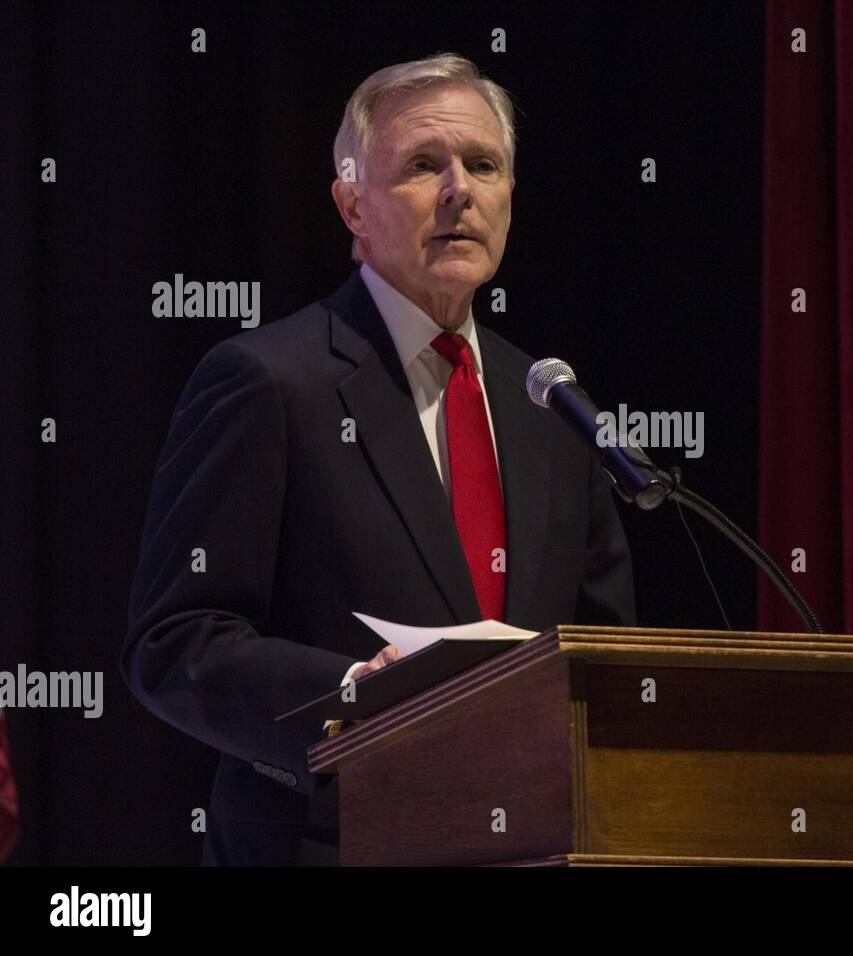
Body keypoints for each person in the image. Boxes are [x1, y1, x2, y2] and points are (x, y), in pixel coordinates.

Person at [121, 53, 635, 866]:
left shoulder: (550, 402)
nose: (458, 190)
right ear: (352, 203)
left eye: (484, 166)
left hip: (530, 844)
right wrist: (351, 696)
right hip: (329, 841)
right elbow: (174, 644)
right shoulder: (267, 382)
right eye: (423, 166)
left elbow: (606, 651)